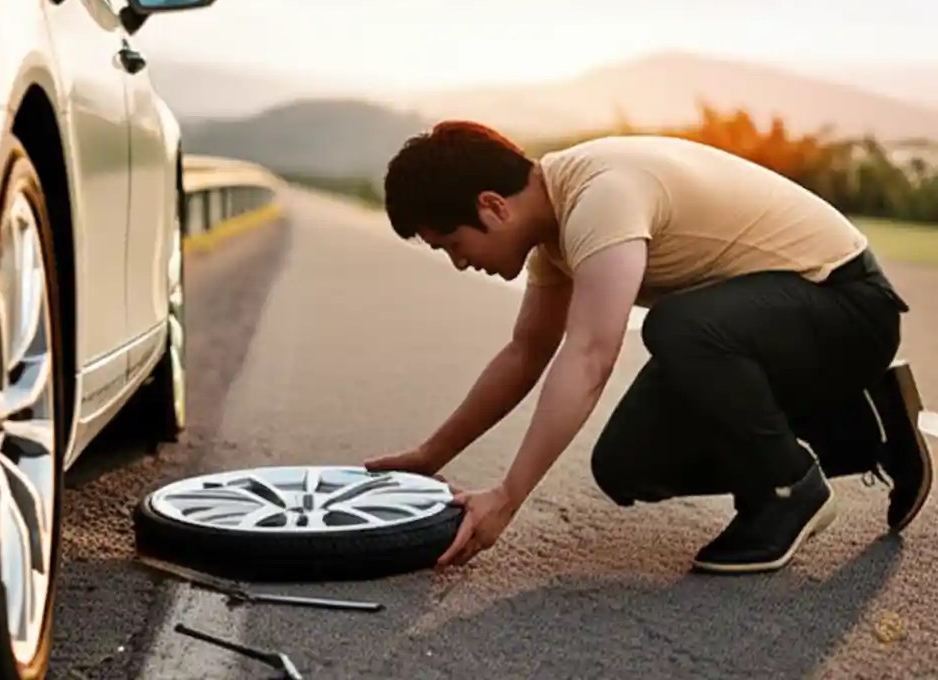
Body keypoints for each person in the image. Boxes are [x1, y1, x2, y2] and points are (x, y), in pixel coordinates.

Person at [365, 120, 933, 574]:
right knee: (625, 466)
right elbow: (525, 352)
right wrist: (432, 455)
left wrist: (508, 498)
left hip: (849, 306)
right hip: (784, 327)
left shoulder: (600, 196)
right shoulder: (555, 229)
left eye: (453, 244)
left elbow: (590, 355)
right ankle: (869, 431)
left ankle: (788, 490)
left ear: (493, 206)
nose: (461, 261)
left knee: (678, 327)